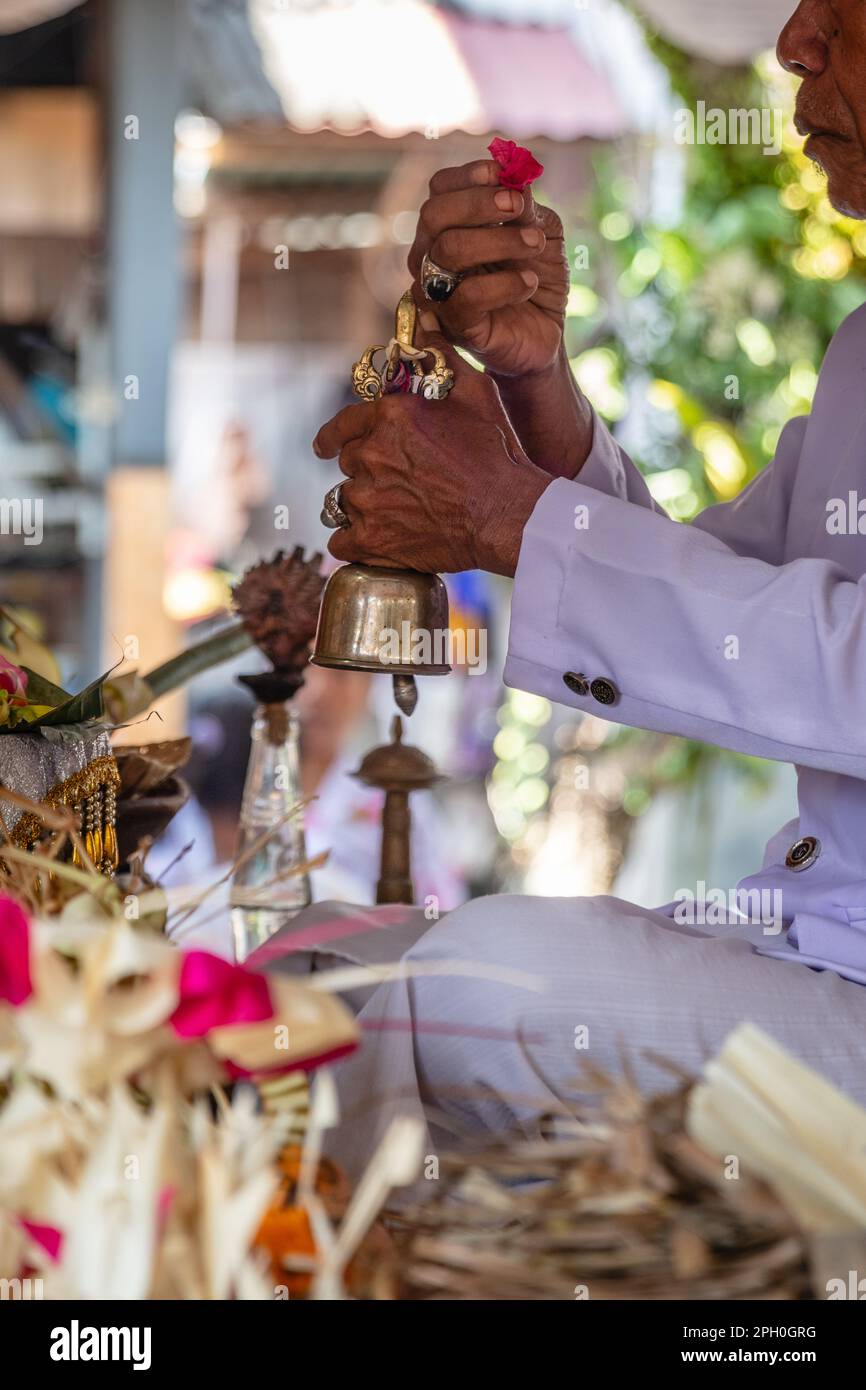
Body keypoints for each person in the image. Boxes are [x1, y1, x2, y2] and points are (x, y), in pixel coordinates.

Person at [305, 2, 866, 1173]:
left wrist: (506, 517)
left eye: (836, 3)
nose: (791, 45)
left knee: (464, 994)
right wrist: (535, 391)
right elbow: (719, 595)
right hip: (809, 940)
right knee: (320, 957)